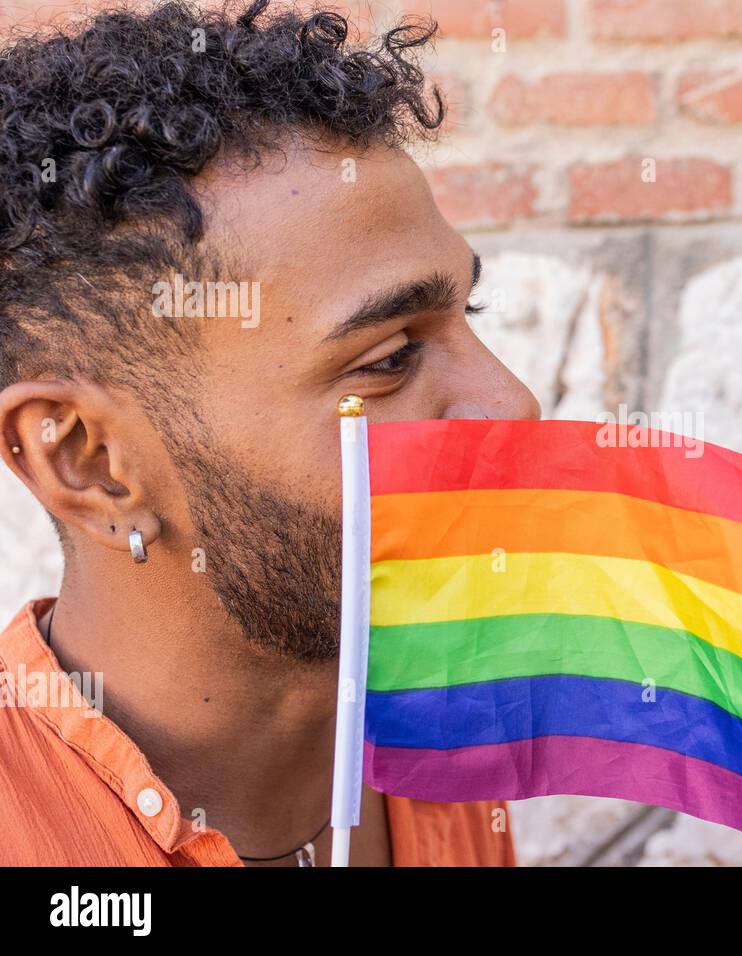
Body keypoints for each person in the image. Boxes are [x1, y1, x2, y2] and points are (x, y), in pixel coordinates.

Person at [0, 0, 536, 865]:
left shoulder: (443, 754)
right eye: (390, 358)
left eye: (466, 312)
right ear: (89, 461)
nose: (513, 404)